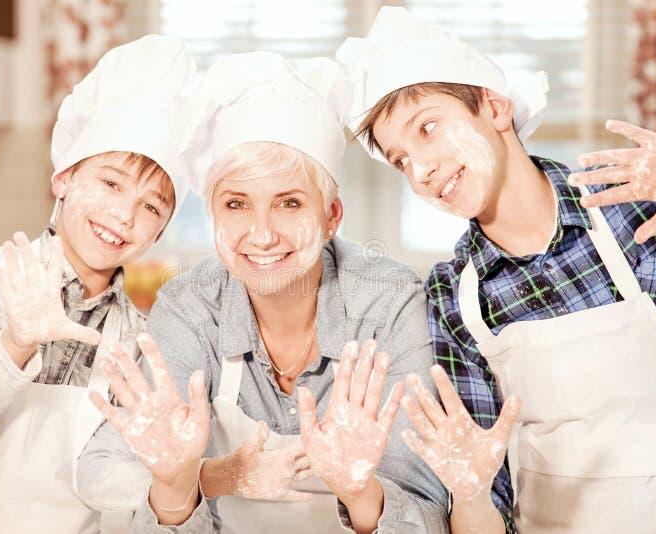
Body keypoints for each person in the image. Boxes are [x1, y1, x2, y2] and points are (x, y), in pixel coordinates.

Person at [336, 6, 656, 533]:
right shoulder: (457, 296)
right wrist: (468, 496)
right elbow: (485, 508)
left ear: (493, 106)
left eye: (428, 129)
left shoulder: (642, 214)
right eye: (400, 160)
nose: (420, 170)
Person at [78, 51, 450, 534]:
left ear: (332, 215)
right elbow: (102, 468)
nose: (262, 235)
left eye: (289, 203)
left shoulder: (389, 302)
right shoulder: (190, 307)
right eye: (236, 204)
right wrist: (186, 483)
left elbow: (429, 512)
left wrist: (363, 493)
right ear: (213, 213)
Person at [0, 35, 194, 534]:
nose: (123, 216)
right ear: (63, 178)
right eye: (110, 183)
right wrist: (17, 341)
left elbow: (97, 480)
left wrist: (180, 476)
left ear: (160, 232)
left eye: (151, 207)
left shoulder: (135, 333)